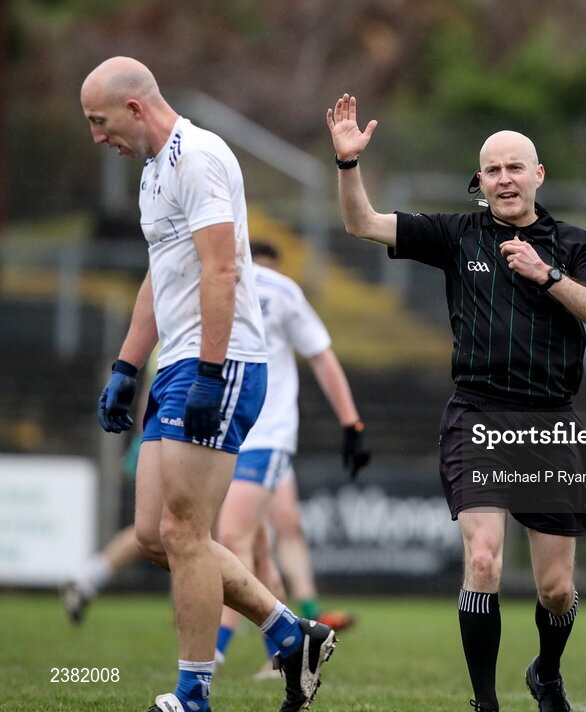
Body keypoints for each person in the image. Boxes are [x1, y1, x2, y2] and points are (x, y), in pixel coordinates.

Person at [326, 94, 586, 712]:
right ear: (479, 182)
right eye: (493, 170)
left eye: (516, 167)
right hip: (478, 413)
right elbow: (362, 223)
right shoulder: (458, 234)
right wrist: (348, 164)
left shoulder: (575, 244)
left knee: (555, 588)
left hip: (552, 421)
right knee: (483, 560)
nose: (505, 179)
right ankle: (485, 704)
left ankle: (547, 673)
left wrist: (546, 274)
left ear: (539, 175)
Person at [83, 57, 336, 712]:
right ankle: (291, 634)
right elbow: (160, 276)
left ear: (134, 108)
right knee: (152, 534)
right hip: (177, 363)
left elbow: (222, 271)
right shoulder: (152, 174)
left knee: (185, 531)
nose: (97, 136)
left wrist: (210, 373)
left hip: (218, 364)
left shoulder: (198, 157)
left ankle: (193, 694)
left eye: (100, 121)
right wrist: (127, 366)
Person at [215, 240, 368, 673]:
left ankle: (214, 652)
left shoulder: (280, 292)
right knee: (258, 549)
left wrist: (352, 424)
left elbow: (321, 355)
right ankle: (286, 650)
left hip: (266, 435)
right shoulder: (203, 282)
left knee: (235, 538)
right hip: (221, 434)